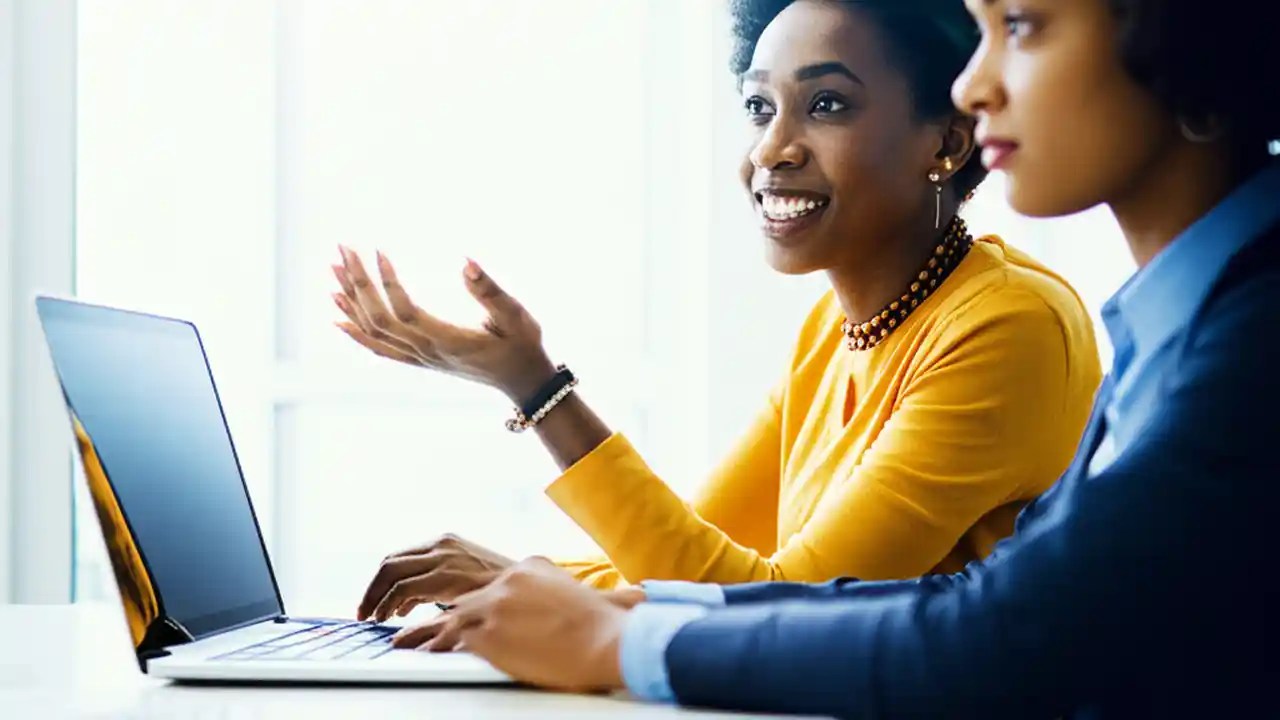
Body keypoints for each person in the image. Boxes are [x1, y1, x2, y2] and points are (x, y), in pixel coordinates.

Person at [382, 0, 1280, 716]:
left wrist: (611, 631)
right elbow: (983, 593)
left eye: (1021, 26)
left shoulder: (1197, 339)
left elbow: (998, 628)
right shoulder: (1172, 325)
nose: (974, 85)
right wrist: (544, 592)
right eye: (758, 107)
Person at [331, 0, 1100, 624]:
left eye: (826, 105)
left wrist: (538, 391)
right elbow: (691, 574)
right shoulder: (836, 329)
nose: (771, 150)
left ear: (947, 142)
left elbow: (779, 608)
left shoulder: (1007, 325)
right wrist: (512, 583)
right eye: (760, 107)